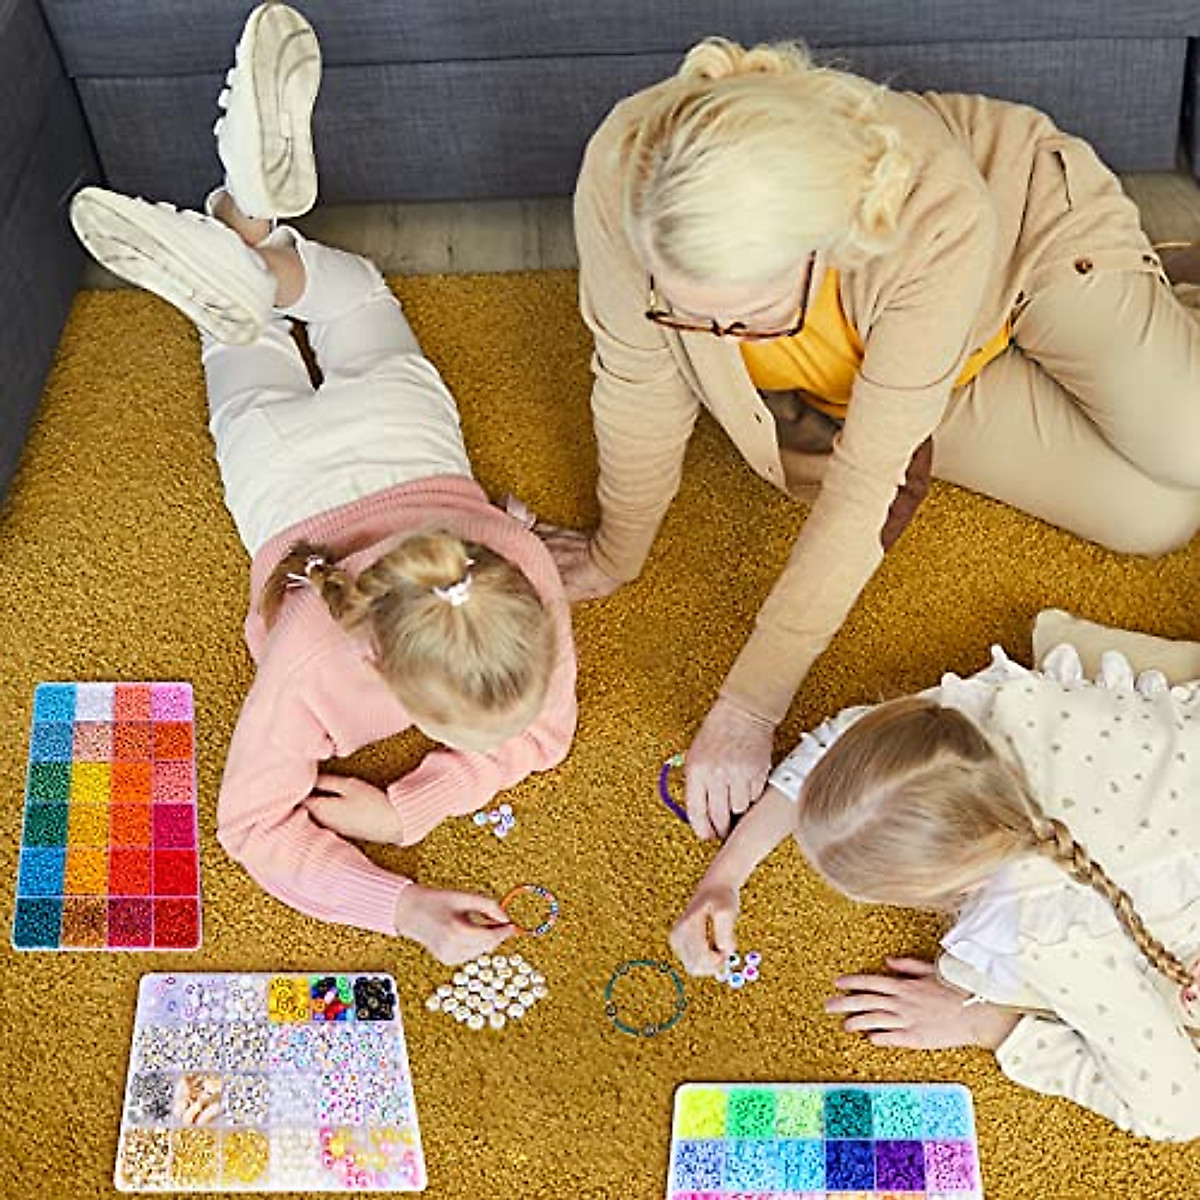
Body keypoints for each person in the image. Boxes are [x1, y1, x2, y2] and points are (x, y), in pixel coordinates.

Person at [550, 36, 1200, 844]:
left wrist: (750, 706)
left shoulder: (934, 212)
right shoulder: (627, 175)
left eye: (748, 318)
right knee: (1156, 519)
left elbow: (866, 488)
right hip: (925, 369)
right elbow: (637, 384)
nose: (709, 337)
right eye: (683, 313)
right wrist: (616, 550)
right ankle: (997, 371)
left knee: (1188, 447)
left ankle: (1156, 301)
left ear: (825, 244)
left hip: (1030, 252)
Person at [68, 2, 576, 963]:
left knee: (357, 300)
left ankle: (257, 240)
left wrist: (413, 807)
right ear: (382, 673)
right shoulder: (306, 661)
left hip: (405, 435)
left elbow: (540, 729)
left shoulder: (519, 565)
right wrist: (403, 889)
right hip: (283, 473)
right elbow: (250, 828)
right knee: (239, 338)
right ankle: (240, 264)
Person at [669, 642, 1200, 1140]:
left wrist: (984, 1022)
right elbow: (845, 744)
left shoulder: (1055, 938)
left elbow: (1177, 1110)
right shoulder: (977, 718)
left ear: (957, 890)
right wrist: (724, 877)